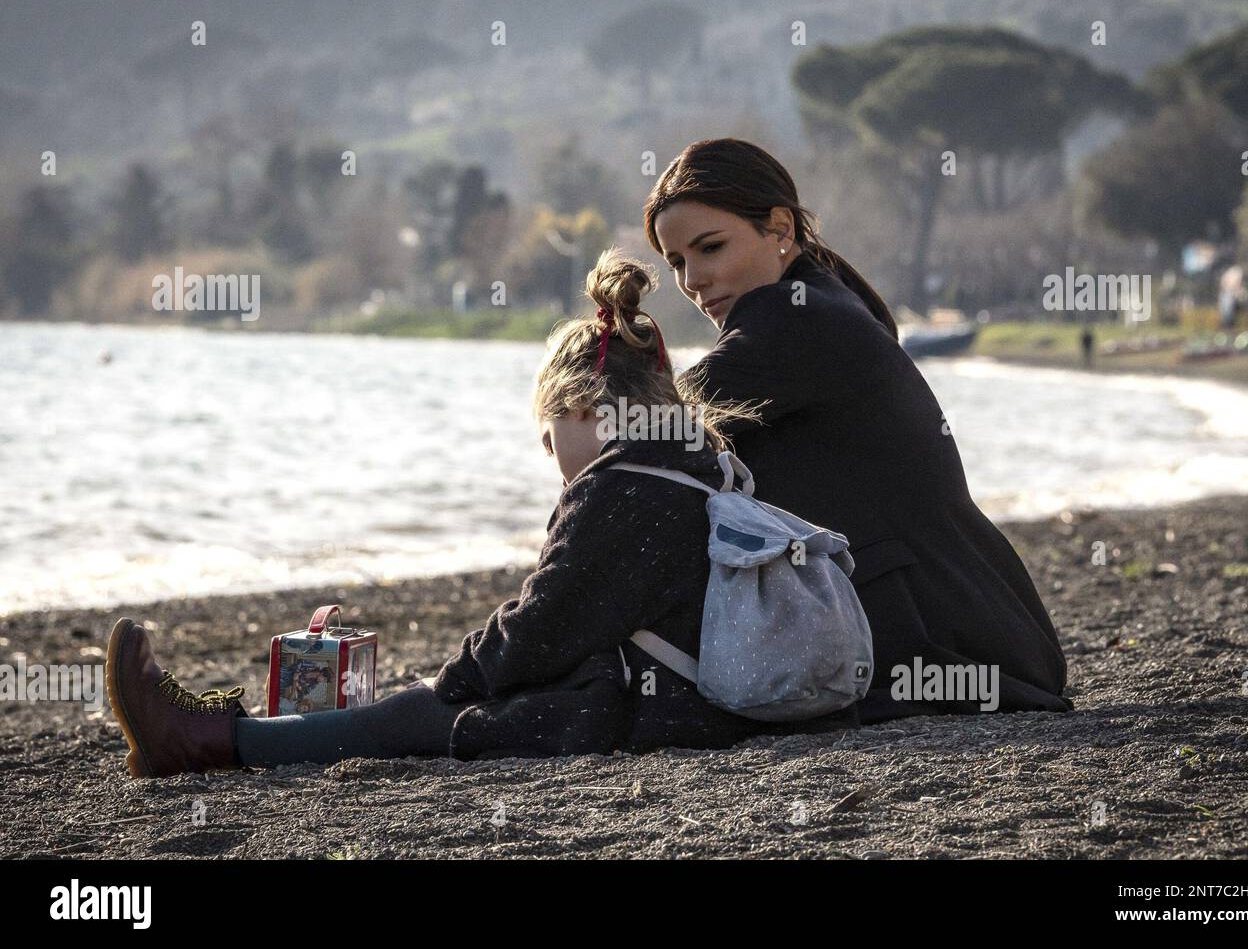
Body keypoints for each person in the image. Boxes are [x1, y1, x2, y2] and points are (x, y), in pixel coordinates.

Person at [104, 248, 855, 778]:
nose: (552, 455)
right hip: (707, 701)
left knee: (419, 717)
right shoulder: (701, 468)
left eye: (548, 434)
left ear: (587, 409)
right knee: (450, 701)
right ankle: (220, 732)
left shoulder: (621, 486)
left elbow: (542, 627)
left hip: (667, 716)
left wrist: (453, 676)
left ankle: (207, 742)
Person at [645, 138, 1072, 721]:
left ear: (778, 228)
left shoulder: (793, 318)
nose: (693, 279)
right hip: (987, 633)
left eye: (710, 247)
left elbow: (649, 427)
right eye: (676, 263)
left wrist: (580, 396)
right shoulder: (826, 299)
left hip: (933, 641)